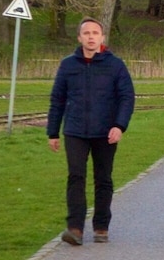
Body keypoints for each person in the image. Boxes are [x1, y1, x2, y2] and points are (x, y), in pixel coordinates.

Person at [47, 18, 136, 246]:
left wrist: (119, 125)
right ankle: (75, 228)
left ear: (102, 37)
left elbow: (126, 97)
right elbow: (57, 99)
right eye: (86, 33)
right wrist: (53, 132)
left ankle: (101, 227)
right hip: (75, 130)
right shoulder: (68, 65)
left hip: (106, 132)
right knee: (76, 176)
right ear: (79, 38)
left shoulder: (115, 65)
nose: (91, 36)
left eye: (95, 33)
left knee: (103, 179)